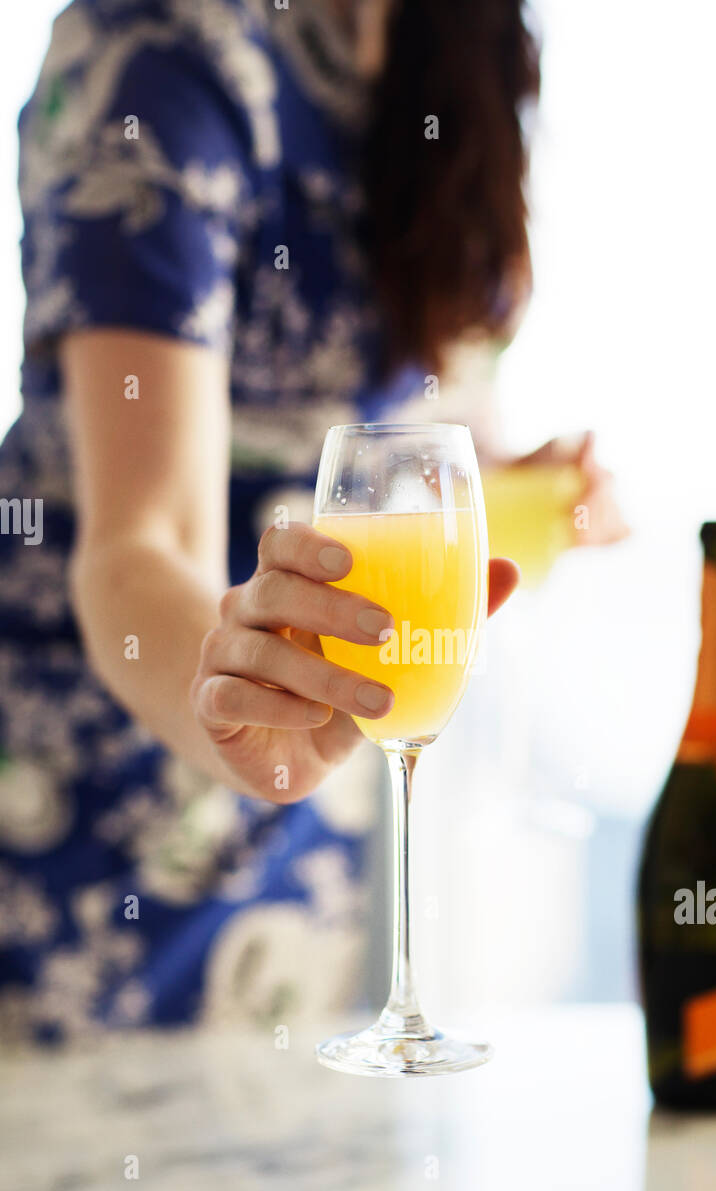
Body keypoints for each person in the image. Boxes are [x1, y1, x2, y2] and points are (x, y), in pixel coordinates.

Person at [0, 0, 626, 1042]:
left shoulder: (459, 44)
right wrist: (227, 688)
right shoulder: (159, 53)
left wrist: (513, 488)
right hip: (97, 795)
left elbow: (410, 423)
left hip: (310, 794)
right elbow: (136, 543)